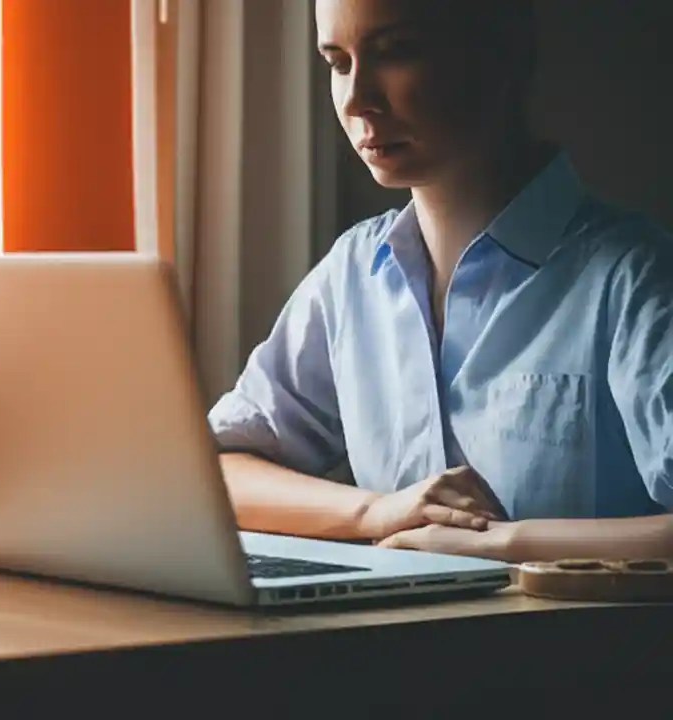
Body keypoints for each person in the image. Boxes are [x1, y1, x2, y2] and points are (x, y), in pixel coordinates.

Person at [208, 0, 673, 562]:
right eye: (337, 63)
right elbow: (219, 469)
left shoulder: (629, 276)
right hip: (389, 642)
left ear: (503, 53)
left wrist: (510, 542)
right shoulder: (352, 274)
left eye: (398, 52)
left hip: (572, 649)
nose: (357, 99)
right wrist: (375, 511)